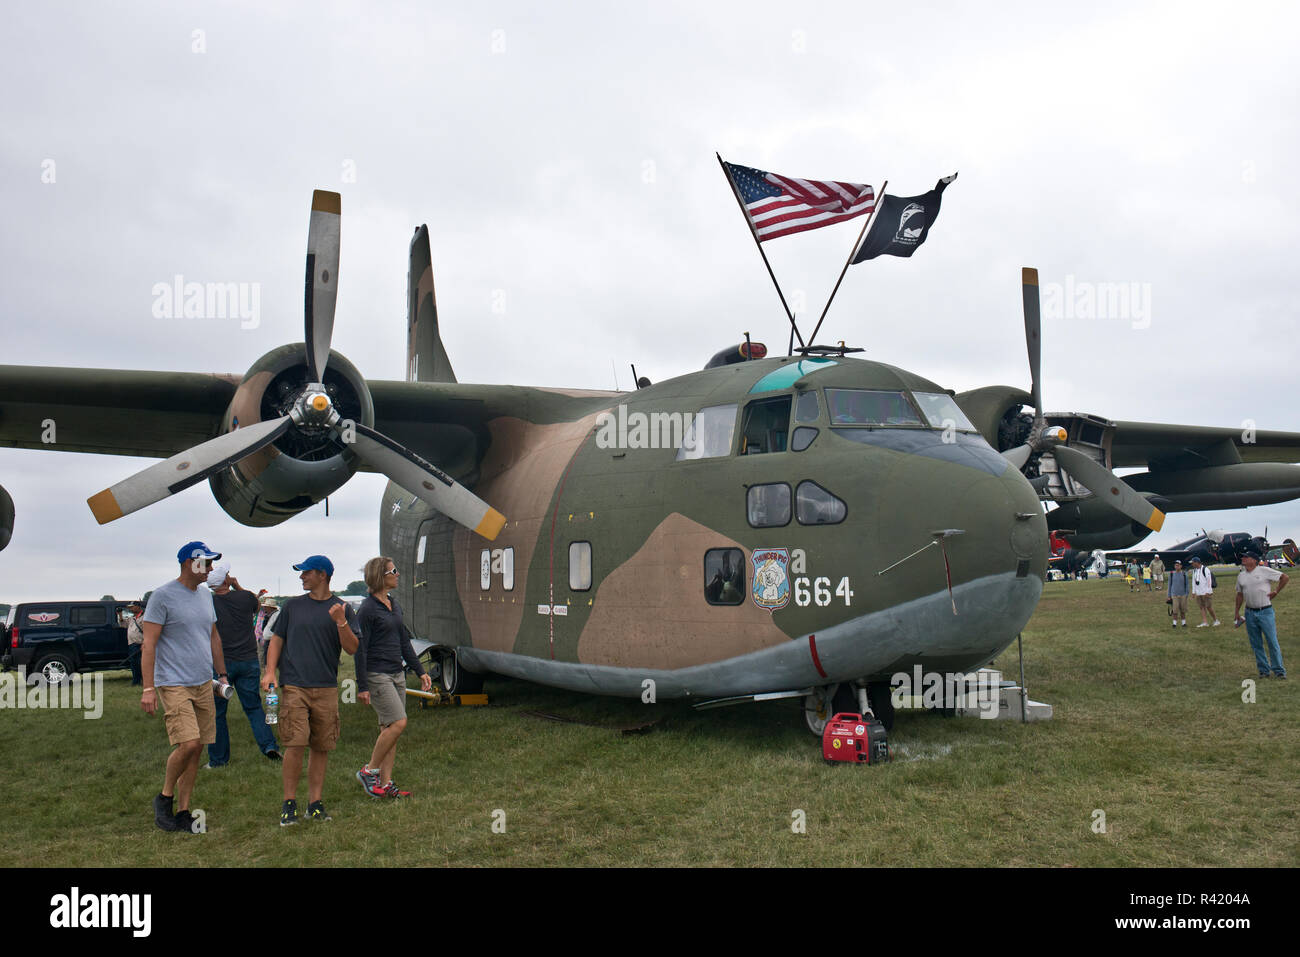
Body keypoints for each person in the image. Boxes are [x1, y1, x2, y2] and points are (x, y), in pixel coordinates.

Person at [261, 555, 359, 826]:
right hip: (294, 685)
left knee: (321, 746)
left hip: (326, 687)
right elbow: (276, 640)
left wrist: (341, 621)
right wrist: (270, 671)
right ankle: (288, 803)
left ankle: (314, 803)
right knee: (295, 742)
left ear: (322, 575)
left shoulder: (343, 608)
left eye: (306, 572)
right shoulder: (292, 607)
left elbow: (352, 648)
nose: (301, 577)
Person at [140, 542, 229, 833]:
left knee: (197, 748)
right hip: (173, 682)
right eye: (207, 563)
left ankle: (184, 811)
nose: (212, 569)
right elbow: (149, 643)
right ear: (190, 563)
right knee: (188, 743)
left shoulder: (205, 596)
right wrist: (148, 688)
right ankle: (164, 798)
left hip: (203, 681)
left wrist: (222, 675)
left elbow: (214, 637)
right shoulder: (162, 596)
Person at [355, 557, 431, 799]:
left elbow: (404, 642)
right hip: (377, 674)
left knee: (390, 729)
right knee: (398, 723)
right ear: (381, 576)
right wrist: (362, 685)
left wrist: (420, 670)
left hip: (397, 672)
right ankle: (369, 771)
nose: (397, 574)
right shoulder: (367, 609)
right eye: (393, 571)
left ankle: (385, 784)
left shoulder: (393, 604)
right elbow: (360, 648)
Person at [205, 563, 281, 766]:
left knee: (217, 713)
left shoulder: (209, 602)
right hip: (248, 660)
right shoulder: (244, 597)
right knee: (254, 707)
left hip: (221, 663)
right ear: (225, 581)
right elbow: (257, 607)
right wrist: (237, 585)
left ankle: (219, 759)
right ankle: (269, 745)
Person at [1233, 550, 1288, 678]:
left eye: (1246, 557)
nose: (1243, 559)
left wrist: (1276, 591)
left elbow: (1284, 577)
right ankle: (1264, 670)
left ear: (1254, 560)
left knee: (1272, 642)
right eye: (1243, 557)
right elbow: (1239, 595)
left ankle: (1279, 671)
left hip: (1265, 611)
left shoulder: (1264, 570)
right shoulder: (1241, 576)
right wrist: (1236, 612)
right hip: (1250, 612)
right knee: (1256, 643)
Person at [1189, 556, 1220, 627]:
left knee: (1209, 607)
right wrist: (1194, 592)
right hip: (1198, 592)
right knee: (1202, 607)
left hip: (1206, 592)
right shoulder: (1194, 570)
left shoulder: (1205, 569)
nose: (1192, 564)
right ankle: (1205, 622)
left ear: (1197, 562)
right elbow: (1194, 581)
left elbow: (1209, 581)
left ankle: (1216, 620)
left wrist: (1208, 591)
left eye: (1193, 563)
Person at [126, 602, 145, 685]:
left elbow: (147, 631)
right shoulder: (132, 618)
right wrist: (119, 615)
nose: (131, 609)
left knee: (140, 663)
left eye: (132, 607)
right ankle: (136, 681)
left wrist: (144, 643)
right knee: (134, 663)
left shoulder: (144, 617)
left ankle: (142, 681)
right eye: (130, 607)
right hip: (132, 644)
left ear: (138, 607)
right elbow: (123, 624)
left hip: (139, 643)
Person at [1167, 559, 1189, 627]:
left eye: (1178, 565)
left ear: (1181, 566)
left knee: (1183, 610)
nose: (1177, 567)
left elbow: (1187, 585)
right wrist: (1169, 595)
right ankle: (1174, 623)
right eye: (1176, 565)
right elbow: (1169, 585)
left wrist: (1186, 594)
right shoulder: (1171, 574)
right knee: (1175, 610)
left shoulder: (1184, 574)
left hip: (1183, 595)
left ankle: (1183, 623)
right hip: (1174, 595)